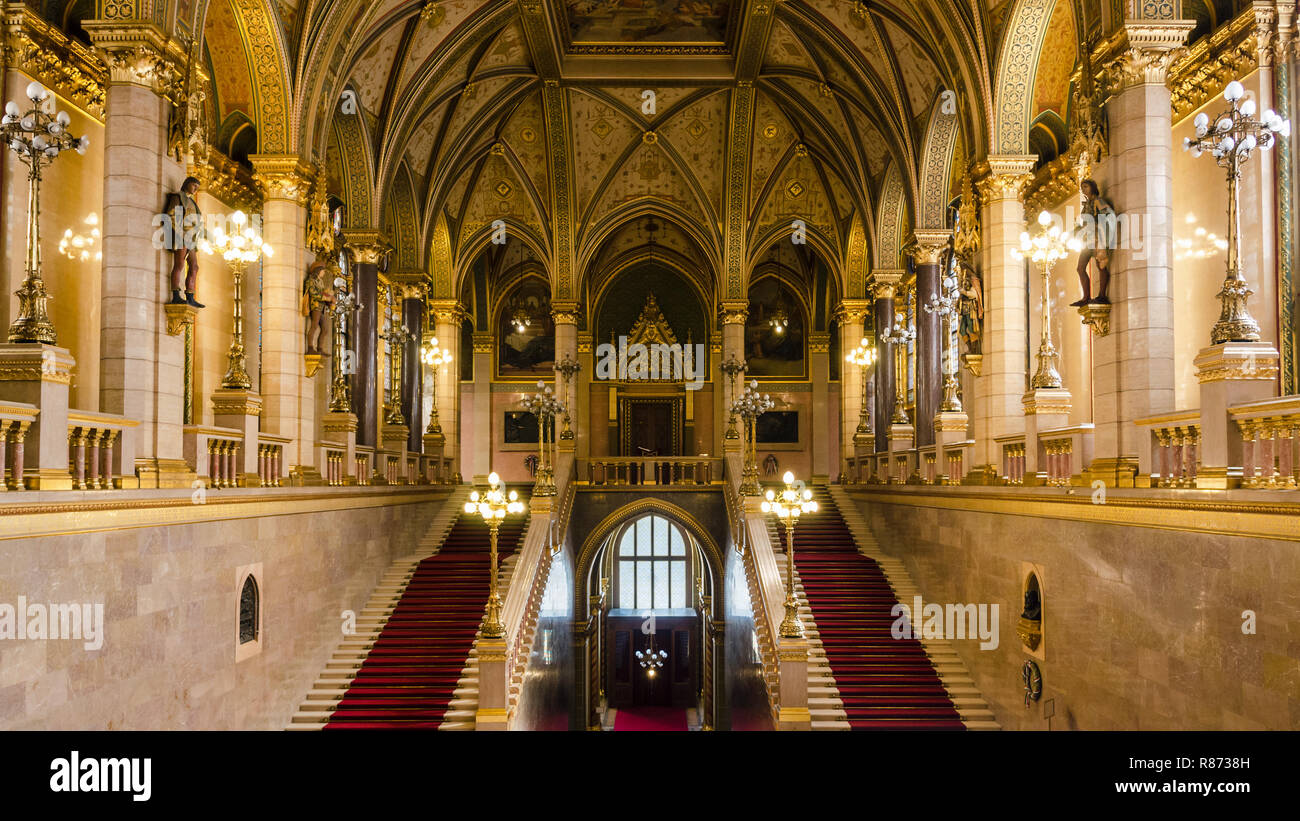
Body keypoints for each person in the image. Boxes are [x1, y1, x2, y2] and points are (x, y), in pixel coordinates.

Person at [162, 176, 205, 308]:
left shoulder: (192, 202)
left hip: (191, 237)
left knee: (194, 266)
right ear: (186, 184)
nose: (195, 189)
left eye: (197, 187)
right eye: (193, 185)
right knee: (179, 264)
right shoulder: (178, 197)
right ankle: (175, 295)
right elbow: (171, 214)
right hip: (182, 235)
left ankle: (190, 295)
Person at [1073, 178, 1116, 306]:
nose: (1083, 189)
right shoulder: (1087, 204)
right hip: (1087, 239)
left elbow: (1109, 214)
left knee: (1100, 266)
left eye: (1086, 186)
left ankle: (1102, 295)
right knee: (1080, 267)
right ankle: (1086, 297)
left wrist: (1098, 224)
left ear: (1092, 187)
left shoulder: (1098, 201)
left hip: (1097, 237)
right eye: (1082, 187)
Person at [302, 261, 335, 355]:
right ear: (318, 271)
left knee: (325, 328)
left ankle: (320, 349)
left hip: (321, 307)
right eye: (323, 271)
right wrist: (326, 297)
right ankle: (310, 348)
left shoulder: (320, 281)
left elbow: (322, 292)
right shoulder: (311, 280)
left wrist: (329, 300)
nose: (324, 273)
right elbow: (313, 293)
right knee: (314, 326)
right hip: (315, 306)